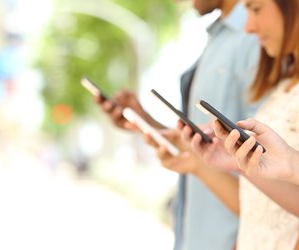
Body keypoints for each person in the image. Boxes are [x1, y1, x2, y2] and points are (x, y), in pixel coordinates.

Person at [179, 0, 299, 249]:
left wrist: (292, 163)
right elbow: (276, 208)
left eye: (256, 9)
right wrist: (238, 162)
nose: (248, 27)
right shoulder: (283, 85)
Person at [96, 1, 259, 249]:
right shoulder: (218, 37)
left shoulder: (256, 36)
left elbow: (268, 164)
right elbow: (201, 150)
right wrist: (144, 121)